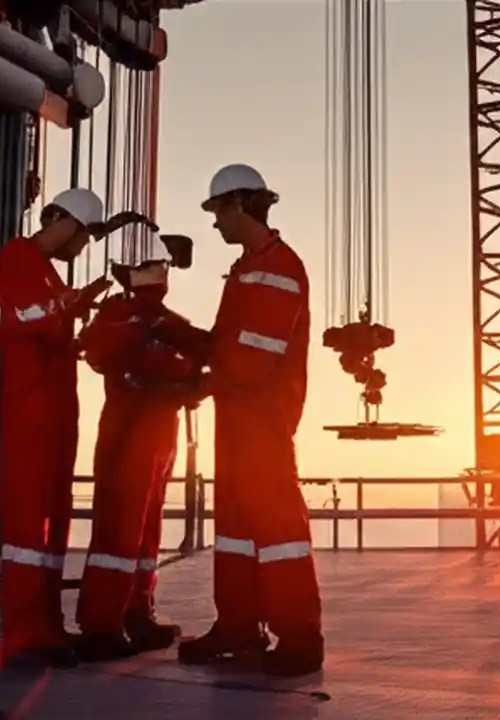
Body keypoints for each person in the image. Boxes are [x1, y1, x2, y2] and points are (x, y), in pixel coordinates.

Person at [170, 163, 324, 677]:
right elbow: (228, 341)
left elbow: (256, 354)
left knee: (277, 524)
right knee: (235, 524)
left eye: (217, 212)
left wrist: (201, 380)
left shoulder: (278, 268)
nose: (214, 224)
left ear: (239, 205)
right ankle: (238, 625)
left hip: (261, 414)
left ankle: (300, 637)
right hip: (238, 413)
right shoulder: (248, 267)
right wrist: (188, 344)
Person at [0, 188, 143, 667]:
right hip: (29, 415)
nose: (82, 248)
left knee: (52, 528)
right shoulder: (16, 258)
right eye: (84, 237)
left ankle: (48, 627)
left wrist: (81, 306)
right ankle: (24, 633)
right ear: (67, 223)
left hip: (54, 414)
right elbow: (29, 319)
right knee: (29, 530)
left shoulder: (49, 274)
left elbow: (52, 325)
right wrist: (77, 303)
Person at [73, 236, 206, 662]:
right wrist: (166, 359)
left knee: (145, 530)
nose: (163, 274)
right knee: (118, 527)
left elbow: (193, 359)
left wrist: (181, 372)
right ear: (132, 271)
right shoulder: (120, 316)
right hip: (128, 433)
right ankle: (101, 623)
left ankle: (136, 613)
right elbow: (97, 349)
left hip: (157, 433)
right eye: (155, 265)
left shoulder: (163, 320)